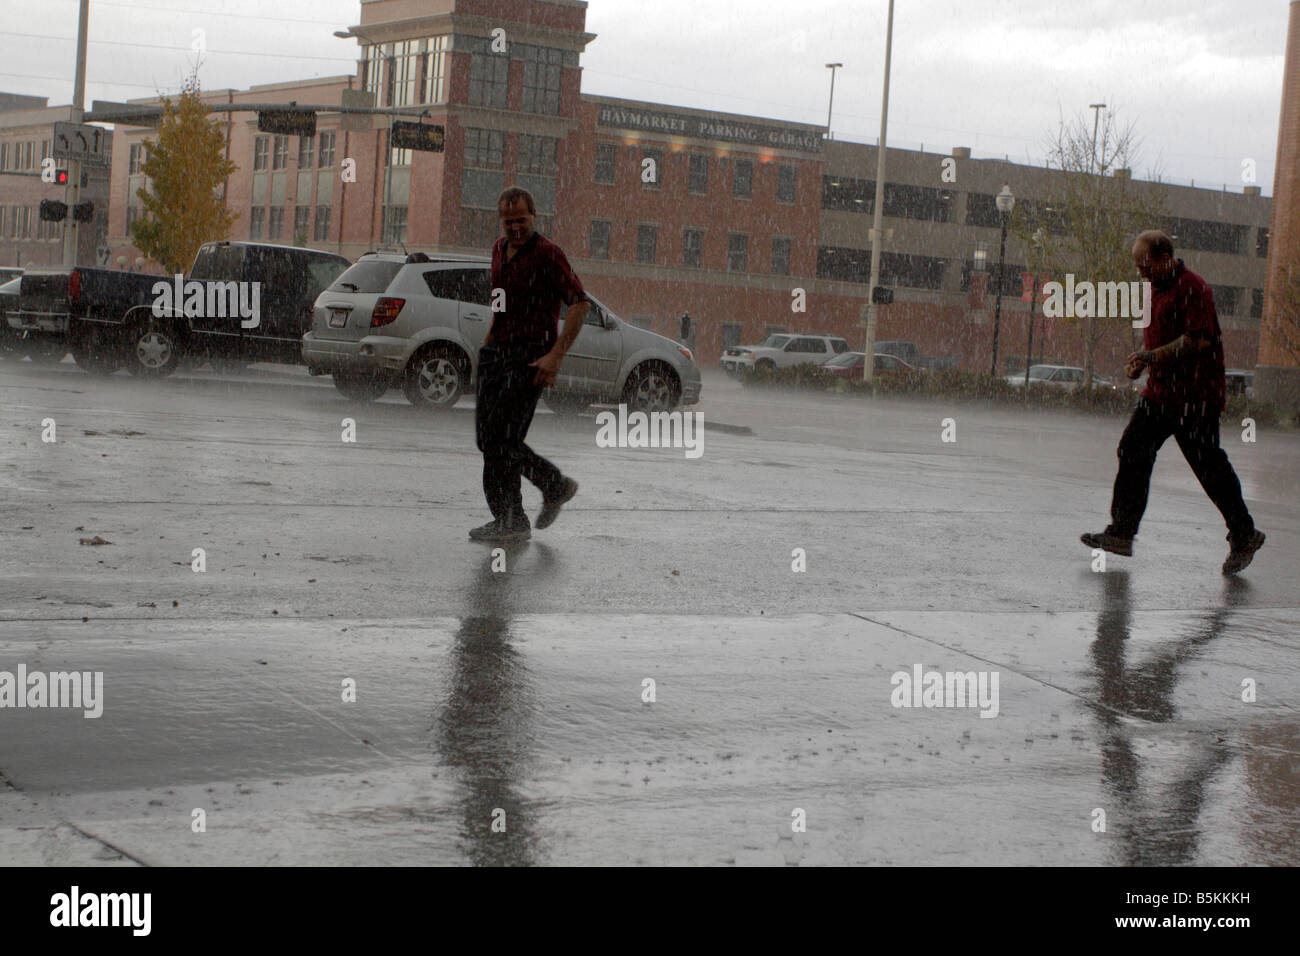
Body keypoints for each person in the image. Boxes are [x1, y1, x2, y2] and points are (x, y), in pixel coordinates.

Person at [1081, 230, 1264, 574]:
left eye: (1145, 265)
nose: (1141, 273)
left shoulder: (1194, 288)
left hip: (1196, 397)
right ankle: (1122, 531)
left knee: (1209, 468)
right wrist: (1140, 364)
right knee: (1133, 448)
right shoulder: (1153, 291)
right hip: (1161, 394)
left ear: (1166, 258)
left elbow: (1199, 340)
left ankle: (1244, 533)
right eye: (1137, 266)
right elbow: (1157, 341)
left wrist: (1151, 356)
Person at [469, 187, 587, 542]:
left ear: (534, 216)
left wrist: (556, 356)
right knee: (488, 440)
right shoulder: (498, 250)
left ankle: (530, 504)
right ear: (501, 220)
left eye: (521, 220)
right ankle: (513, 513)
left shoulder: (549, 254)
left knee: (504, 438)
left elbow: (579, 304)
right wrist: (490, 340)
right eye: (509, 222)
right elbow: (500, 299)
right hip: (497, 354)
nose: (515, 227)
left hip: (530, 356)